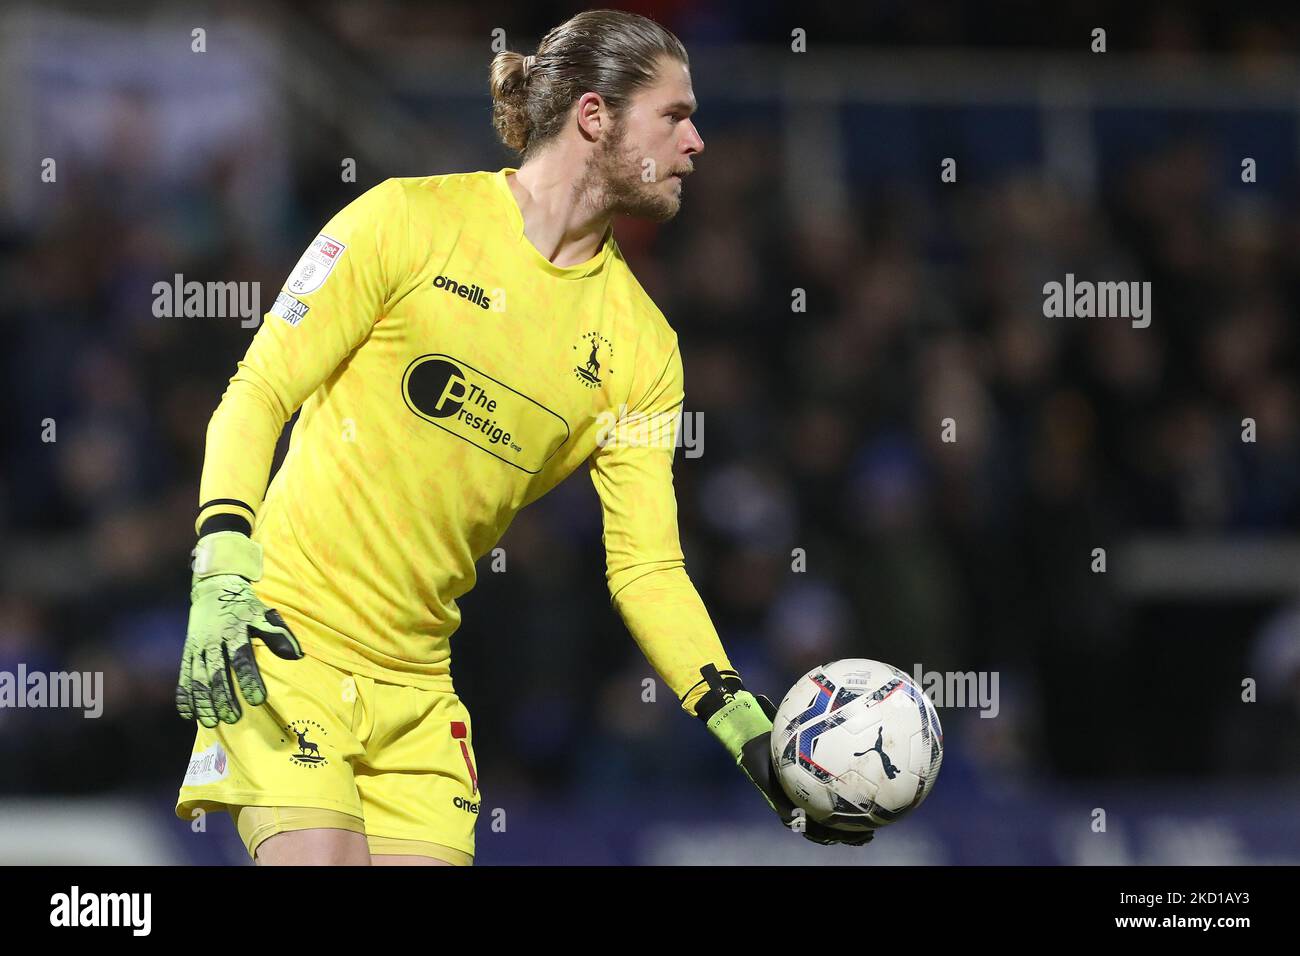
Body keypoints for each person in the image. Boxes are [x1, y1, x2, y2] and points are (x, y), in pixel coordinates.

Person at [174, 8, 869, 865]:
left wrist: (748, 730)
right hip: (286, 638)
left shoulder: (643, 349)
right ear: (594, 116)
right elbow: (258, 391)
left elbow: (646, 569)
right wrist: (221, 565)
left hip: (419, 688)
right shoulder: (405, 221)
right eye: (677, 115)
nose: (698, 144)